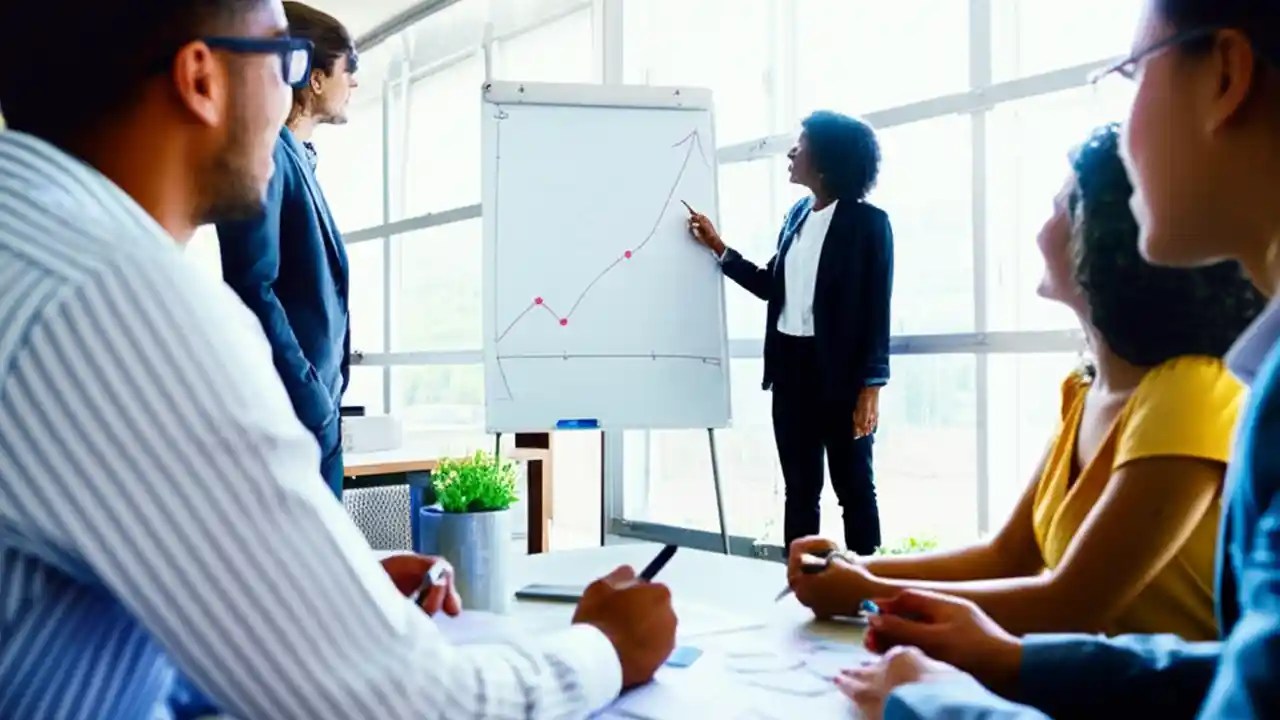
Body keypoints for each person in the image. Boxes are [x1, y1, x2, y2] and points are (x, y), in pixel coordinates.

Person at [0, 2, 676, 718]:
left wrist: (303, 604)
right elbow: (410, 706)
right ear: (202, 78)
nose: (293, 93)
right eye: (283, 62)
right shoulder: (117, 303)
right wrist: (605, 646)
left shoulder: (32, 241)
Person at [837, 1, 1280, 718]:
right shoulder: (1252, 380)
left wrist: (937, 703)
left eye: (1133, 75)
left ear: (1226, 75)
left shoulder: (1208, 388)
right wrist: (1009, 661)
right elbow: (1248, 669)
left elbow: (1072, 597)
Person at [788, 123, 1263, 640]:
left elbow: (1068, 603)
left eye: (1061, 209)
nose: (1041, 231)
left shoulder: (1190, 389)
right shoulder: (1085, 390)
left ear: (1107, 237)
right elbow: (1007, 555)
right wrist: (858, 569)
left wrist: (862, 593)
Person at [687, 110, 894, 555]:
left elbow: (878, 310)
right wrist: (719, 248)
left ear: (826, 157)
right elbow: (771, 285)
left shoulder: (868, 224)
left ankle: (870, 585)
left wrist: (871, 385)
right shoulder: (797, 215)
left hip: (841, 376)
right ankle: (800, 584)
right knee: (800, 490)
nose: (791, 151)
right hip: (792, 372)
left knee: (854, 485)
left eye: (800, 144)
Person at [215, 1, 358, 499]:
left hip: (316, 412)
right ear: (314, 78)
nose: (355, 84)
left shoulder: (299, 159)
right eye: (348, 69)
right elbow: (253, 283)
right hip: (299, 410)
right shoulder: (269, 154)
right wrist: (313, 399)